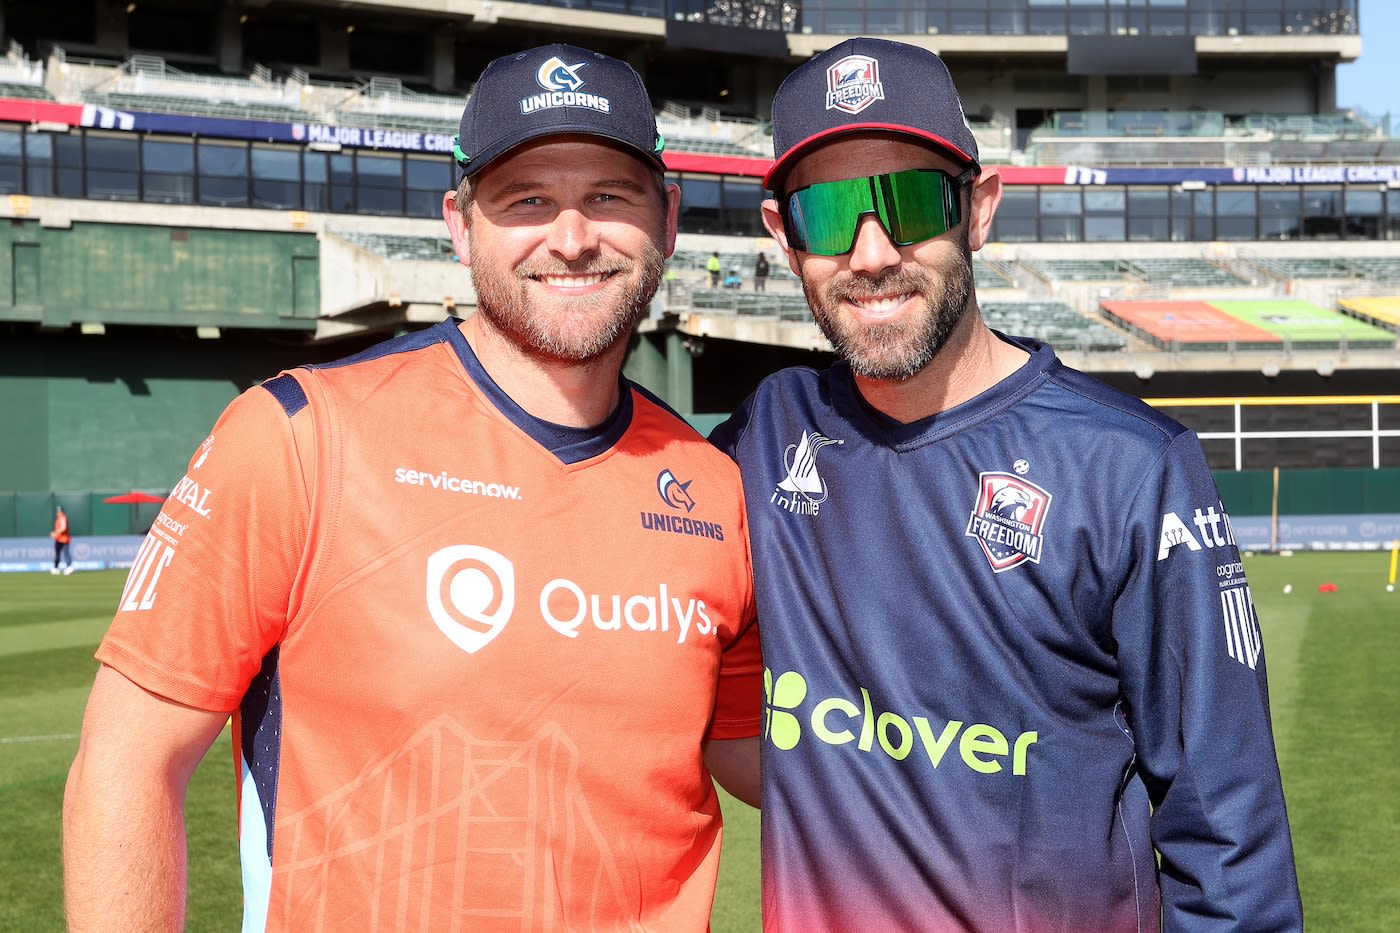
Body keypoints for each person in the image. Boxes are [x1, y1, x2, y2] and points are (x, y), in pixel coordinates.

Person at [65, 44, 762, 933]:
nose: (574, 235)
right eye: (528, 201)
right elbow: (126, 763)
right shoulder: (299, 435)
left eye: (609, 196)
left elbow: (757, 754)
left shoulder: (712, 486)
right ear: (460, 224)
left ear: (667, 218)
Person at [711, 37, 1301, 932]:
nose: (870, 253)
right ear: (783, 239)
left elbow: (1227, 837)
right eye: (827, 214)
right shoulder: (764, 435)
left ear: (978, 209)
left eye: (907, 201)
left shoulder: (1134, 466)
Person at [50, 505, 73, 575]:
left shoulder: (63, 518)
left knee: (66, 553)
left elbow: (63, 528)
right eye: (58, 511)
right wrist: (55, 534)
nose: (58, 512)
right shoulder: (59, 518)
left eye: (60, 511)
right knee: (57, 554)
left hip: (64, 539)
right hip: (59, 539)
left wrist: (55, 533)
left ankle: (69, 567)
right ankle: (56, 568)